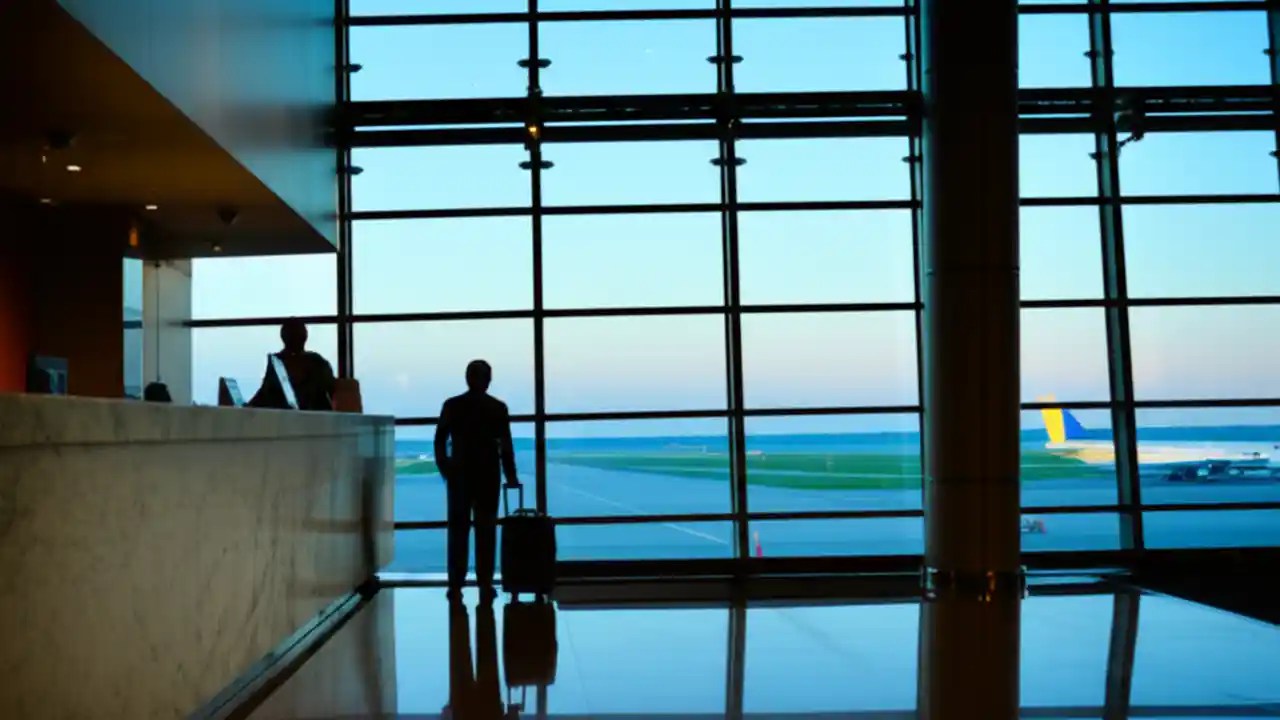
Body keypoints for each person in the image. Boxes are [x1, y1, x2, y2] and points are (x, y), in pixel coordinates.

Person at [435, 360, 519, 601]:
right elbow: (505, 446)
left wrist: (445, 468)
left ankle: (456, 584)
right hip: (487, 476)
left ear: (467, 378)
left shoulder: (452, 406)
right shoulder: (497, 408)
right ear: (488, 380)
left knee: (458, 531)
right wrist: (510, 475)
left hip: (459, 475)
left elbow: (440, 440)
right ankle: (484, 582)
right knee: (486, 531)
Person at [248, 318, 336, 411]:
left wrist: (245, 409)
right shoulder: (318, 362)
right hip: (314, 420)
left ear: (283, 338)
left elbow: (262, 396)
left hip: (286, 420)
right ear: (305, 337)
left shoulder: (278, 363)